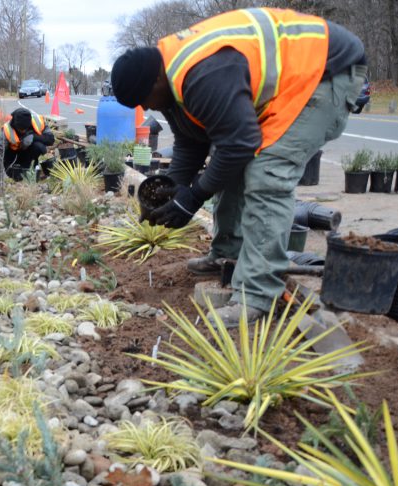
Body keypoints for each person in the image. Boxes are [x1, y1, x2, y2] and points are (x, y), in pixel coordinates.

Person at [111, 7, 366, 327]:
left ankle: (259, 293)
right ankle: (227, 255)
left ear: (157, 79)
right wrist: (173, 190)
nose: (145, 107)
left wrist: (193, 198)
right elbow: (192, 141)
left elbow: (238, 145)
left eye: (144, 98)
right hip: (295, 78)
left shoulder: (201, 74)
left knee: (266, 174)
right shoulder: (171, 77)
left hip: (324, 71)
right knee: (230, 162)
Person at [2, 108, 55, 181]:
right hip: (13, 157)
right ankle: (15, 171)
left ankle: (31, 169)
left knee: (39, 146)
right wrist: (1, 172)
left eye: (25, 128)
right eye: (21, 129)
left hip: (29, 156)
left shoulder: (38, 122)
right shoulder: (7, 129)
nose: (23, 131)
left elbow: (51, 139)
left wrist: (34, 137)